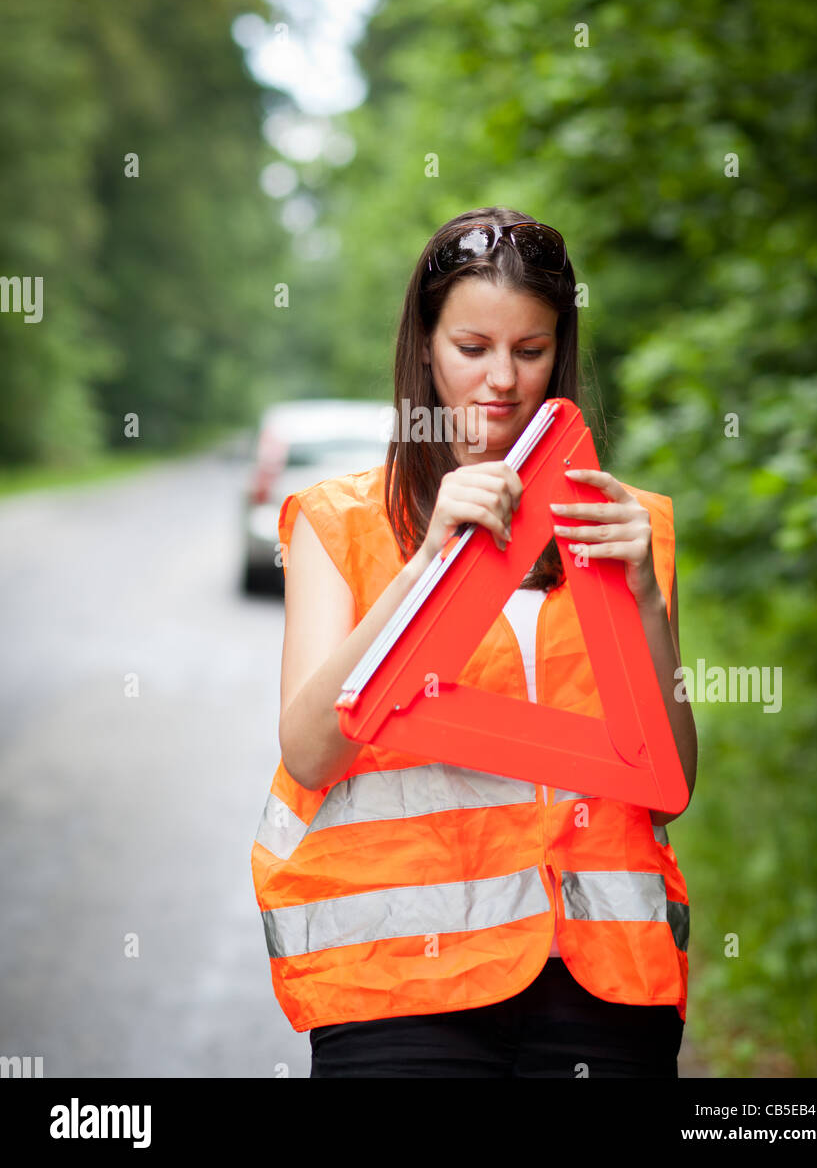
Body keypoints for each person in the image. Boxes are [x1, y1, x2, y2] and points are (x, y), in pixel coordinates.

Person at [251, 206, 698, 1078]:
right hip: (399, 990)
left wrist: (642, 593)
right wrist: (426, 564)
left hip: (605, 987)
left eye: (530, 352)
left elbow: (670, 784)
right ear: (425, 346)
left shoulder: (623, 526)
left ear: (559, 353)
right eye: (473, 348)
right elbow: (309, 750)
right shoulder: (340, 523)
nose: (502, 379)